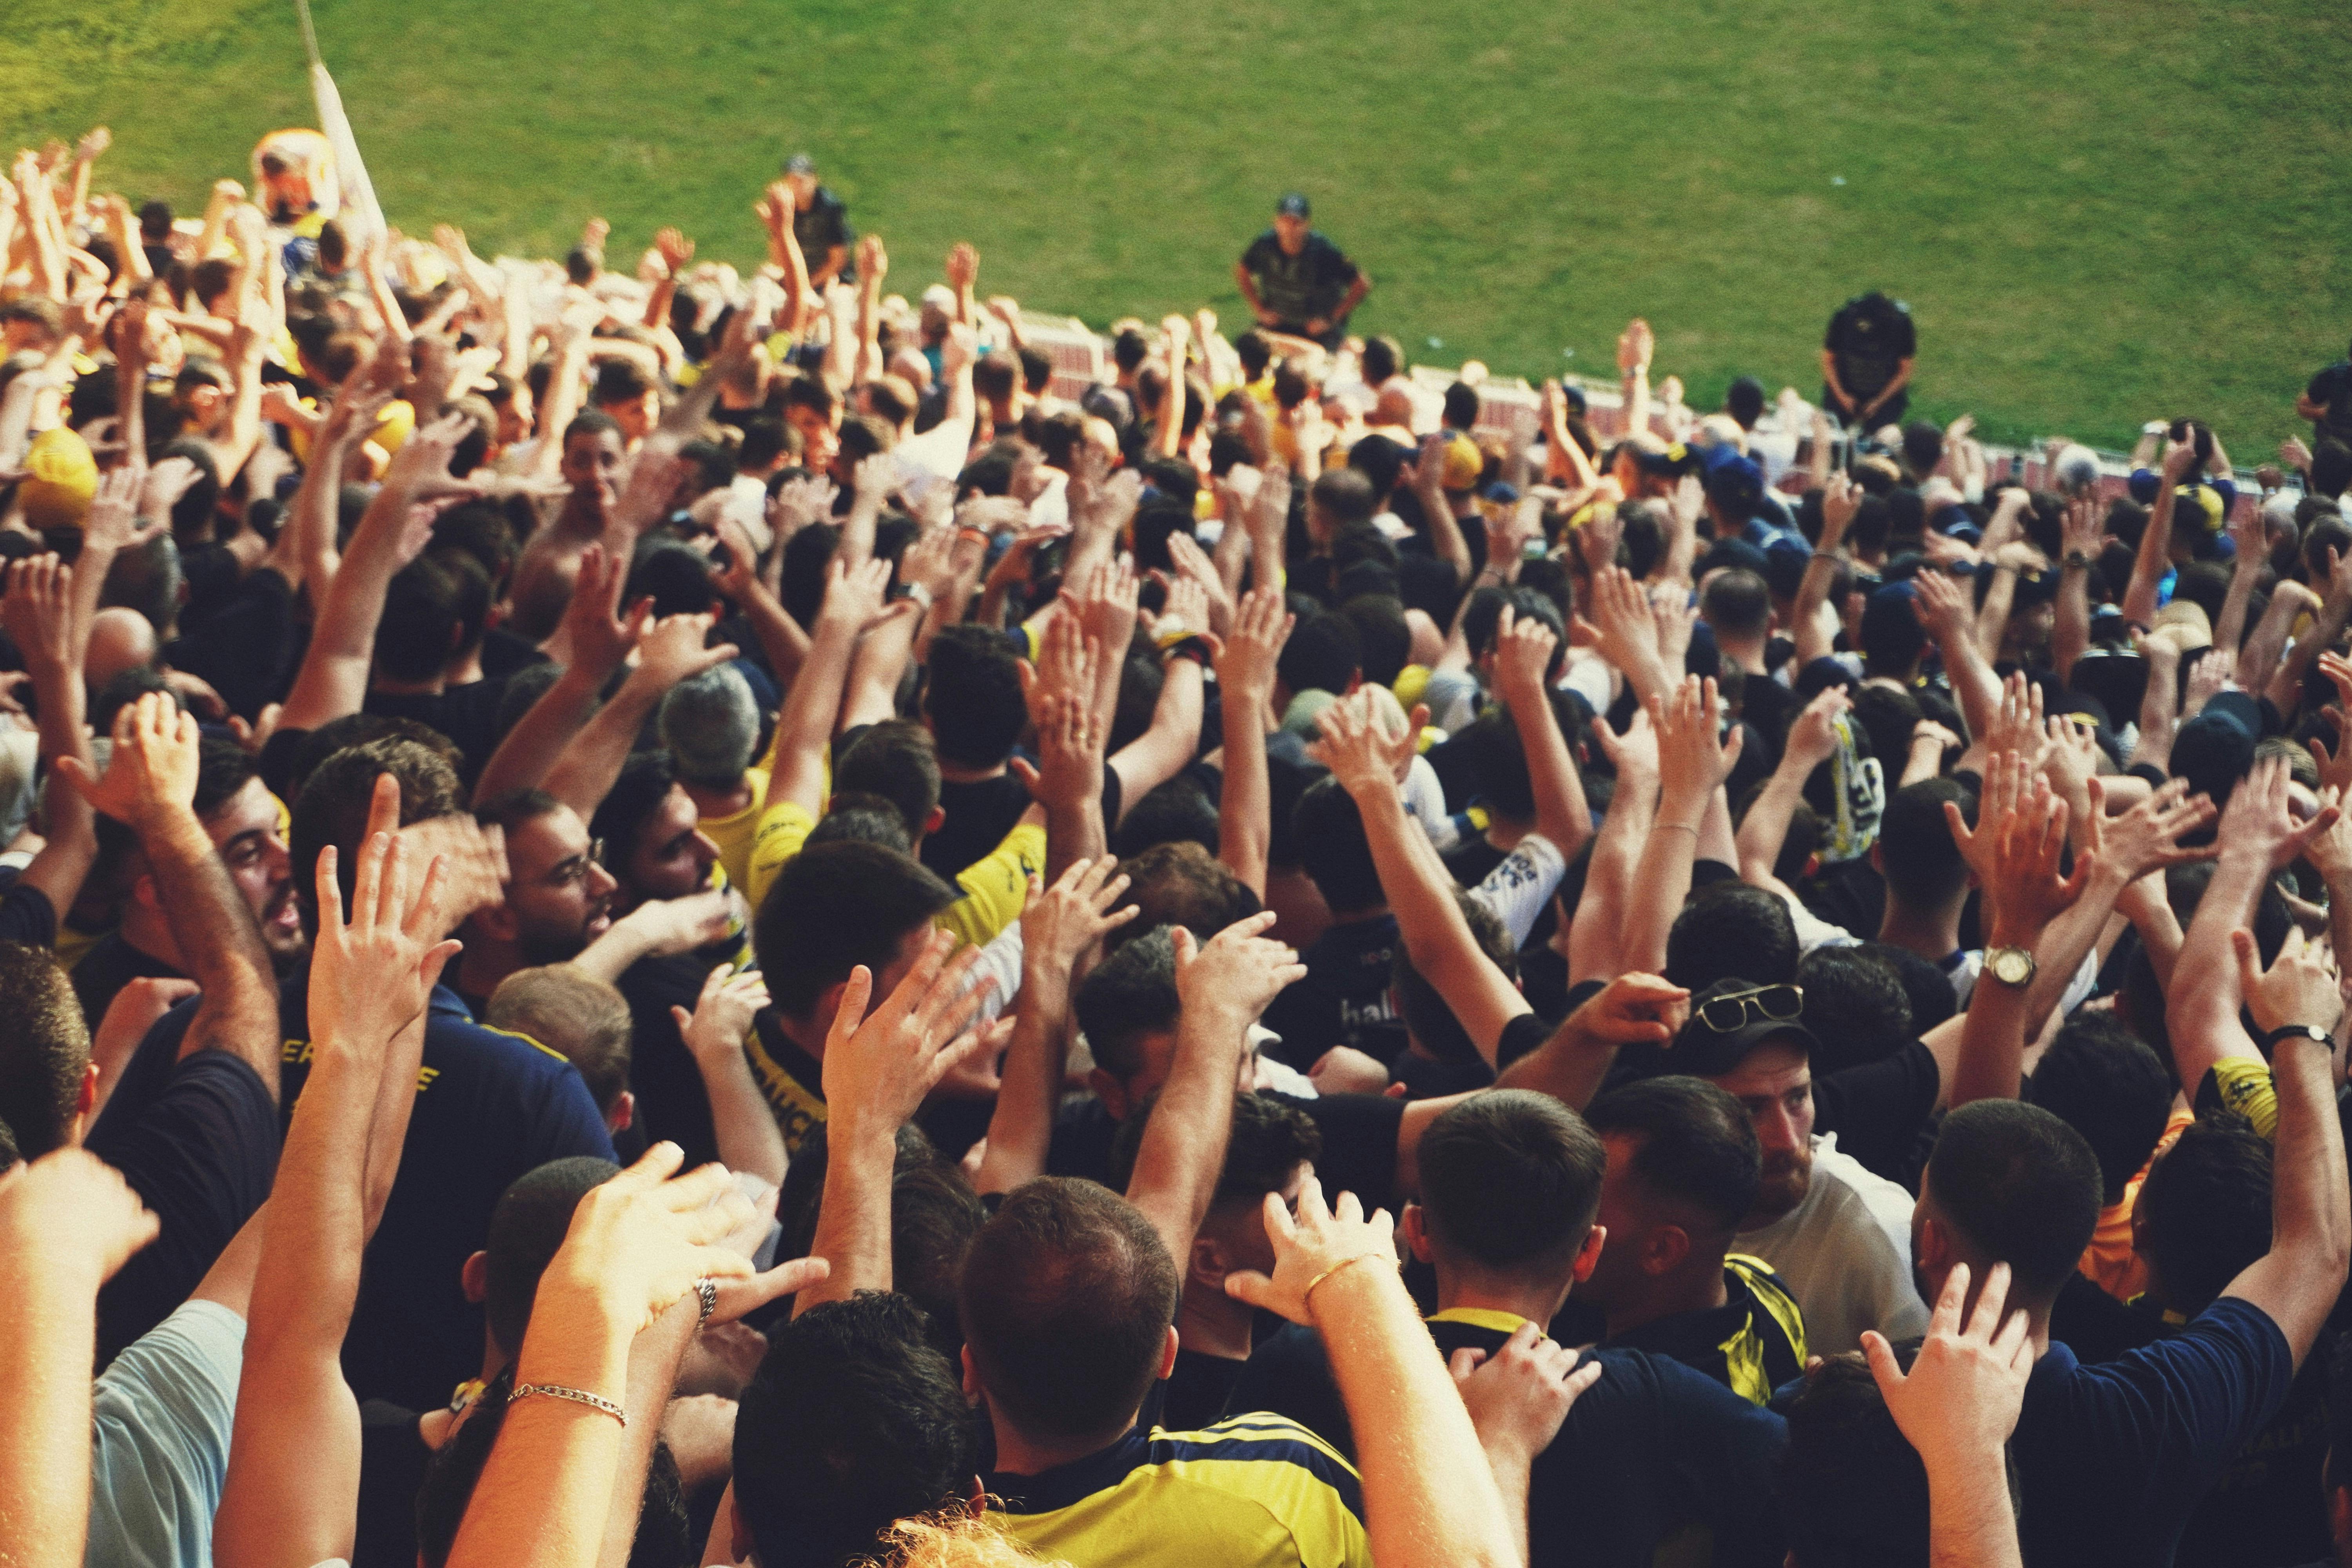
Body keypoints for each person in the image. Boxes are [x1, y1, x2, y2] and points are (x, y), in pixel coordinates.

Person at [1234, 194, 1370, 350]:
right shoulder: (1265, 245)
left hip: (1316, 331)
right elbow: (1242, 270)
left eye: (1297, 223)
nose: (1291, 229)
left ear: (1308, 224)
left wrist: (1330, 319)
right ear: (1277, 222)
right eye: (1286, 222)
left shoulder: (1323, 251)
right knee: (1247, 353)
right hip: (1279, 324)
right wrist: (1260, 310)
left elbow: (1361, 284)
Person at [1821, 290, 1916, 432]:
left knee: (1884, 439)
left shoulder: (1901, 324)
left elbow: (1904, 370)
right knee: (1831, 434)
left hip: (1885, 396)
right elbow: (1829, 361)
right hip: (1844, 390)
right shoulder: (1844, 318)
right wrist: (1843, 397)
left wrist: (1878, 403)